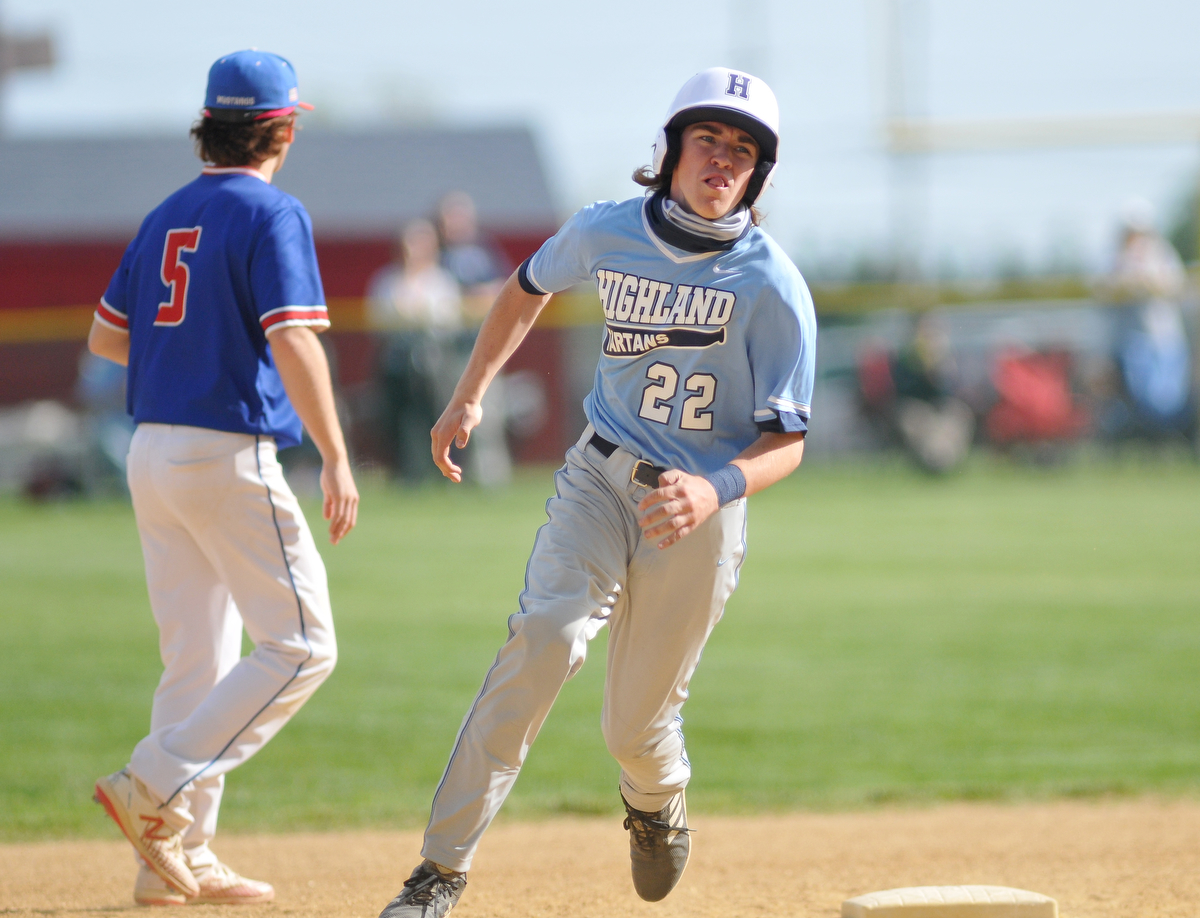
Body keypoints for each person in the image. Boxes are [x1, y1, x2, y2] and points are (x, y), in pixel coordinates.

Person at [376, 67, 815, 918]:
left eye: (744, 149)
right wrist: (469, 392)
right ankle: (439, 872)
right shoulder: (606, 231)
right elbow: (525, 290)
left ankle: (659, 803)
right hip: (599, 474)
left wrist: (716, 488)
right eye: (708, 138)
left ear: (759, 174)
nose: (724, 158)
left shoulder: (773, 283)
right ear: (671, 149)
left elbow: (788, 440)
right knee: (542, 638)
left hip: (700, 510)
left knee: (635, 730)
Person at [87, 50, 358, 906]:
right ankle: (151, 784)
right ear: (283, 128)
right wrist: (339, 456)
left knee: (197, 662)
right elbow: (294, 338)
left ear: (209, 124)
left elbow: (106, 338)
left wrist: (188, 350)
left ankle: (176, 859)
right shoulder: (272, 212)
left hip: (151, 454)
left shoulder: (167, 213)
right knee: (305, 645)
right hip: (224, 454)